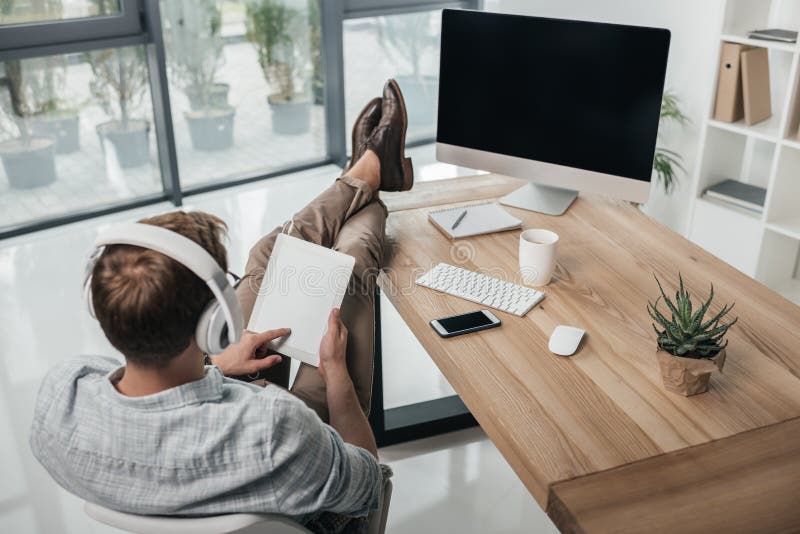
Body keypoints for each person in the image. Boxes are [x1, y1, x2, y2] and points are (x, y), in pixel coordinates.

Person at [29, 80, 413, 527]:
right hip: (289, 471)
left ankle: (363, 176)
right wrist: (338, 378)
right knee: (352, 260)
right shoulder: (278, 426)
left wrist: (215, 369)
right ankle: (371, 178)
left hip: (232, 427)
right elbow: (367, 488)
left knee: (269, 256)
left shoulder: (62, 396)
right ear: (215, 324)